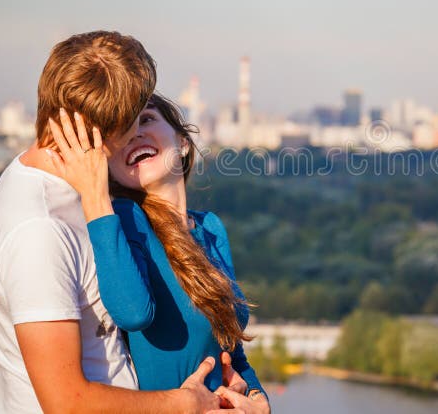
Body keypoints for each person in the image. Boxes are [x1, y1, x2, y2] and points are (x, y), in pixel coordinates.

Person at [0, 31, 225, 413]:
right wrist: (184, 403)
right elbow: (65, 403)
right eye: (137, 116)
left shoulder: (73, 187)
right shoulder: (40, 231)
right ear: (115, 129)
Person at [45, 93, 271, 414]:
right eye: (120, 132)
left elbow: (230, 350)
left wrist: (259, 402)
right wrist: (95, 195)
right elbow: (133, 313)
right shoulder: (127, 218)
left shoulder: (211, 227)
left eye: (147, 119)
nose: (133, 134)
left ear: (183, 142)